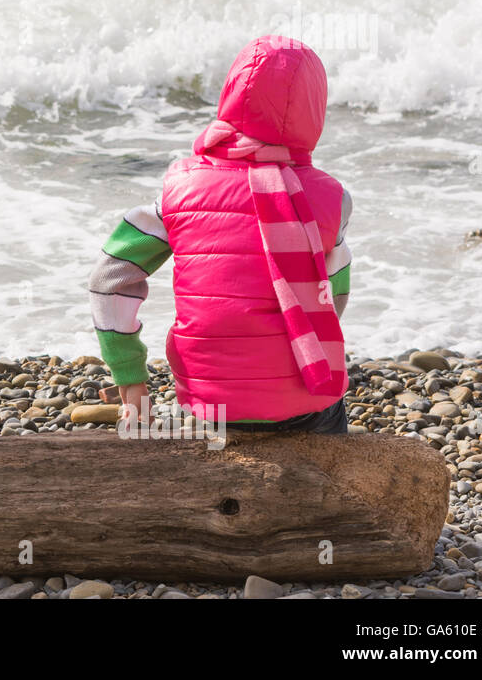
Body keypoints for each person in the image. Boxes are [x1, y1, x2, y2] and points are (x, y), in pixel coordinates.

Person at [88, 35, 353, 433]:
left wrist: (132, 383)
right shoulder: (333, 199)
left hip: (208, 402)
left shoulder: (180, 188)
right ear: (314, 109)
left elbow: (108, 280)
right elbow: (335, 295)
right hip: (304, 401)